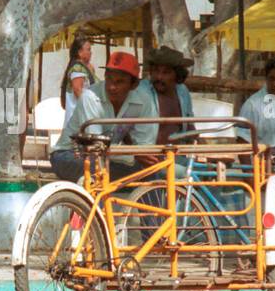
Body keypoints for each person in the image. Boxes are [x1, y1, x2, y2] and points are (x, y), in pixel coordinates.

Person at [49, 50, 157, 183]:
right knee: (98, 172)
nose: (112, 87)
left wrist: (140, 155)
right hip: (69, 155)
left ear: (133, 85)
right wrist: (134, 154)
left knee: (151, 173)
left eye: (119, 82)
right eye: (109, 79)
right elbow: (96, 148)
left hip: (107, 159)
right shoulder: (90, 97)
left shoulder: (144, 101)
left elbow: (145, 147)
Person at [141, 46, 194, 145]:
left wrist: (196, 141)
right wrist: (138, 153)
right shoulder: (140, 91)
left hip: (178, 155)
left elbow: (190, 124)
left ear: (177, 75)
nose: (159, 77)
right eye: (156, 71)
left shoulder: (183, 91)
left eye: (166, 72)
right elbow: (123, 129)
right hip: (148, 155)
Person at [60, 35, 97, 125]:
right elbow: (78, 90)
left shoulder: (86, 67)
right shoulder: (77, 68)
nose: (90, 52)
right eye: (88, 49)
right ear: (80, 52)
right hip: (79, 119)